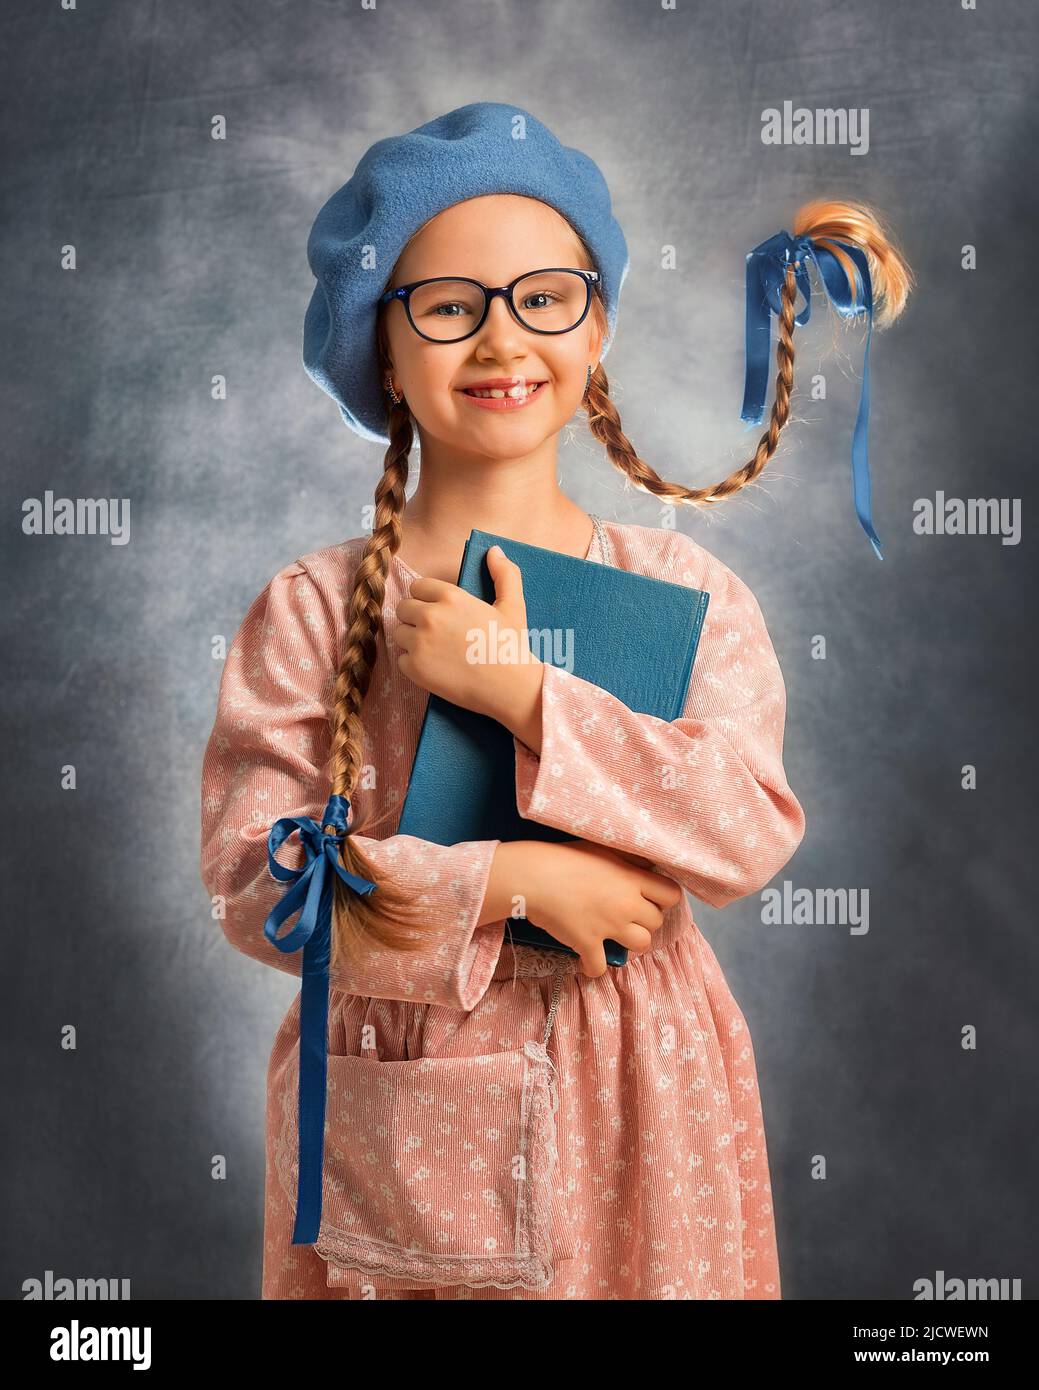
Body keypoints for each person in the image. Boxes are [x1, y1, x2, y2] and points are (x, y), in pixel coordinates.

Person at [200, 101, 911, 1299]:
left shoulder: (684, 589)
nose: (499, 341)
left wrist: (524, 692)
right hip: (400, 1091)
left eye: (544, 296)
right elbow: (255, 887)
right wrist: (511, 885)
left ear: (594, 333)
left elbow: (745, 829)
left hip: (648, 1084)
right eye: (447, 305)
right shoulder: (316, 613)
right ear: (379, 347)